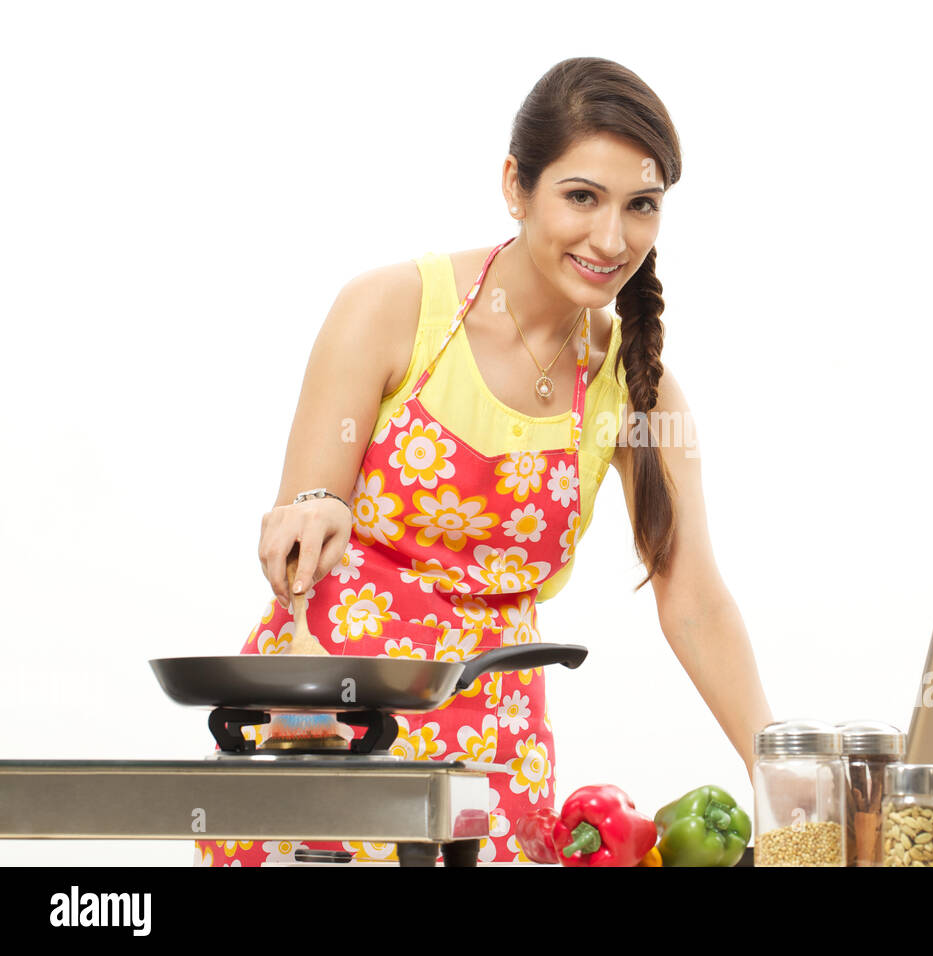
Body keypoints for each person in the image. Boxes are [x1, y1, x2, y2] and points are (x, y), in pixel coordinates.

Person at [195, 56, 773, 866]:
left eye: (640, 207)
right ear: (515, 185)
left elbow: (695, 599)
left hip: (494, 759)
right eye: (581, 197)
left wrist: (782, 770)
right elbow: (306, 515)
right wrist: (315, 507)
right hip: (328, 726)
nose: (612, 239)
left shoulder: (638, 387)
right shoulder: (393, 308)